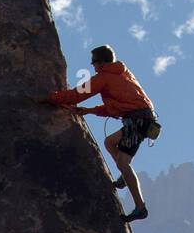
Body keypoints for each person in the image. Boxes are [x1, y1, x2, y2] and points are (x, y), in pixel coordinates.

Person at [39, 45, 157, 223]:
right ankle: (125, 178)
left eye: (93, 62)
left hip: (137, 121)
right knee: (110, 142)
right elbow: (121, 105)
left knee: (123, 163)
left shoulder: (104, 77)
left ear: (101, 63)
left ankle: (140, 208)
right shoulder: (122, 73)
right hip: (141, 119)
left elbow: (76, 95)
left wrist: (51, 98)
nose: (92, 65)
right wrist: (90, 111)